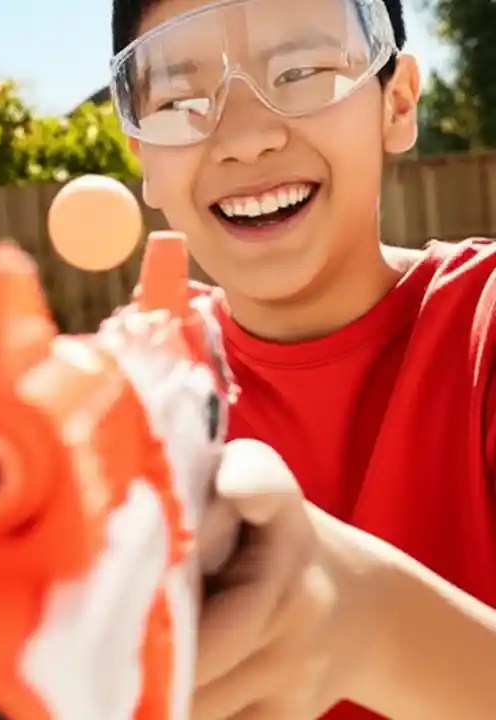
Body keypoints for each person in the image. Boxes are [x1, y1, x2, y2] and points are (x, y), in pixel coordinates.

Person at [110, 0, 496, 717]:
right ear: (144, 162)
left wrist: (372, 625)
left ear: (398, 103)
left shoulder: (484, 330)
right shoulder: (136, 380)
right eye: (181, 100)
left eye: (303, 71)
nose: (246, 137)